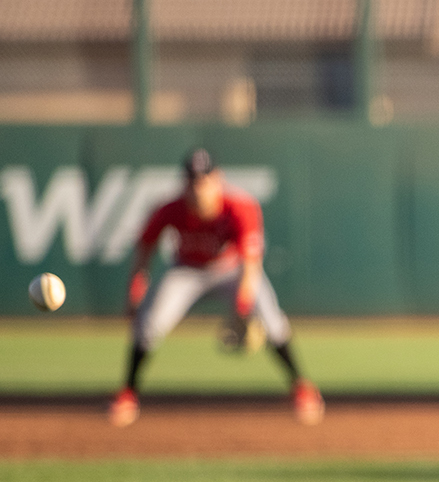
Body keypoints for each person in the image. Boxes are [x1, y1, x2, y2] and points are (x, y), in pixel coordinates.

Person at [110, 148, 322, 427]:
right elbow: (145, 248)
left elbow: (251, 263)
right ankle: (128, 393)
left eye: (205, 180)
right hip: (186, 270)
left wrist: (242, 308)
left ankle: (302, 388)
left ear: (217, 179)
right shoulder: (170, 209)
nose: (199, 187)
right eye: (193, 181)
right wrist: (136, 288)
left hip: (231, 269)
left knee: (272, 320)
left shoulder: (239, 206)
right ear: (184, 183)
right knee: (148, 324)